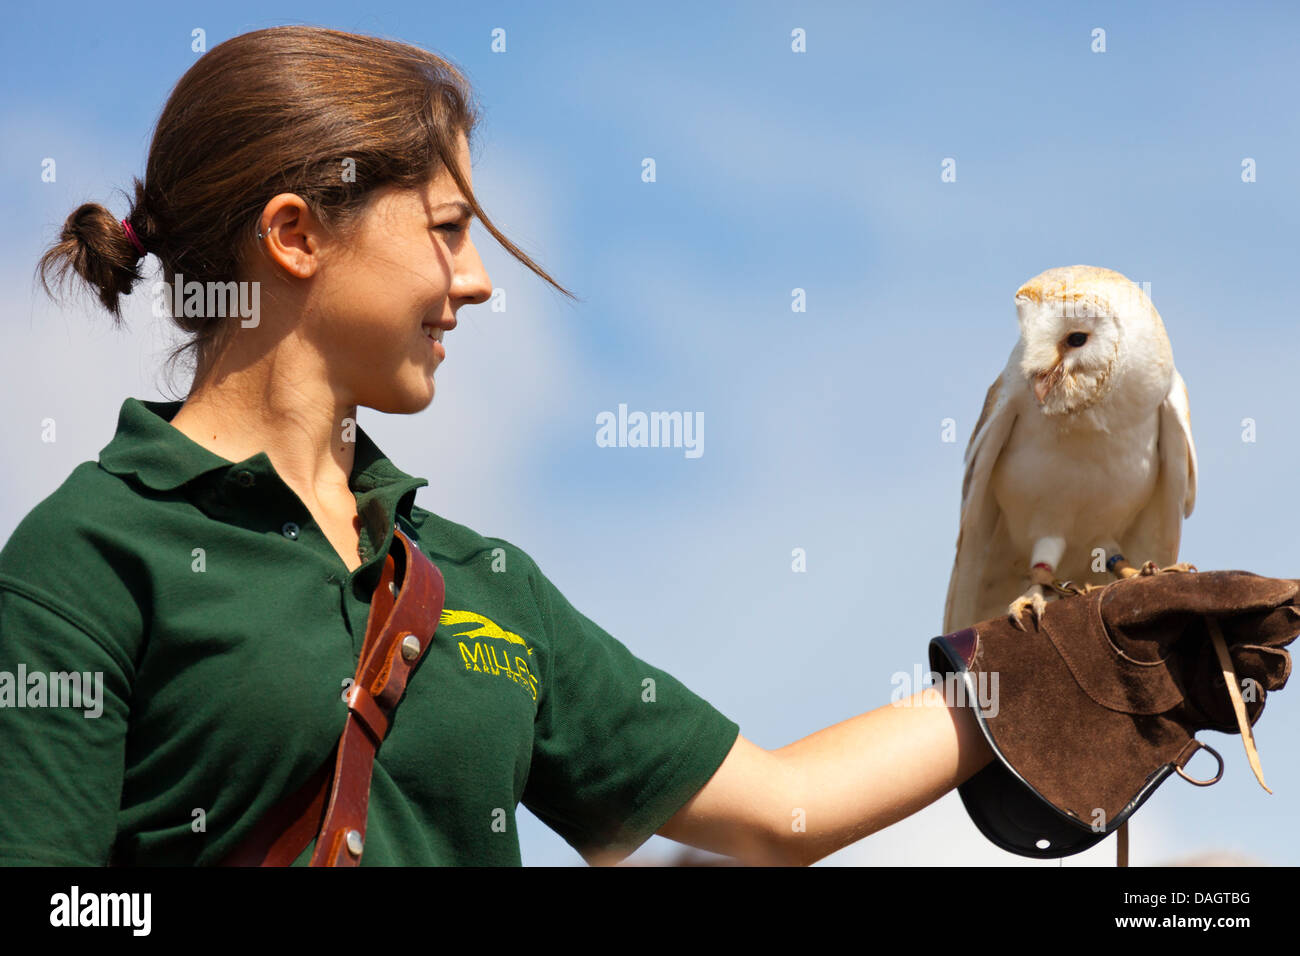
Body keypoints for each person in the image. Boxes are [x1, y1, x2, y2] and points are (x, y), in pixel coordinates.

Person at [5, 25, 1291, 869]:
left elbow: (778, 805)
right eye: (448, 229)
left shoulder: (473, 580)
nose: (478, 281)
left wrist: (1042, 675)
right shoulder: (88, 556)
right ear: (295, 234)